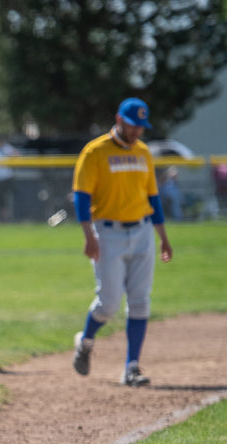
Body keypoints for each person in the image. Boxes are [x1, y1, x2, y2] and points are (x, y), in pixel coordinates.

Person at [70, 97, 172, 387]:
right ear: (119, 119)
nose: (137, 131)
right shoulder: (95, 151)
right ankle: (86, 343)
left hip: (142, 232)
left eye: (141, 126)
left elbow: (153, 198)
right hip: (108, 232)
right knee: (109, 304)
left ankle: (132, 367)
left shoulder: (143, 153)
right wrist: (89, 235)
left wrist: (163, 237)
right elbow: (81, 196)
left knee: (140, 302)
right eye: (132, 125)